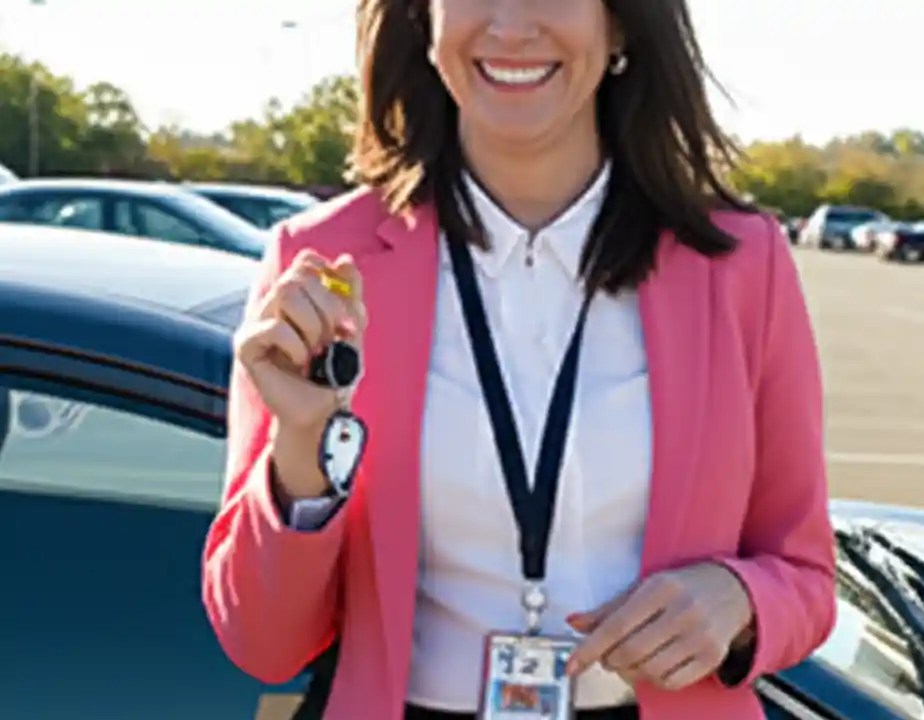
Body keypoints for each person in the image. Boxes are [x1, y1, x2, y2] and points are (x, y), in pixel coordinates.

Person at [201, 1, 835, 718]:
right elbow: (260, 642)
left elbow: (806, 576)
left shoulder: (741, 264)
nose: (510, 26)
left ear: (621, 23)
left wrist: (741, 601)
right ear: (422, 19)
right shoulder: (320, 265)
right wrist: (300, 455)